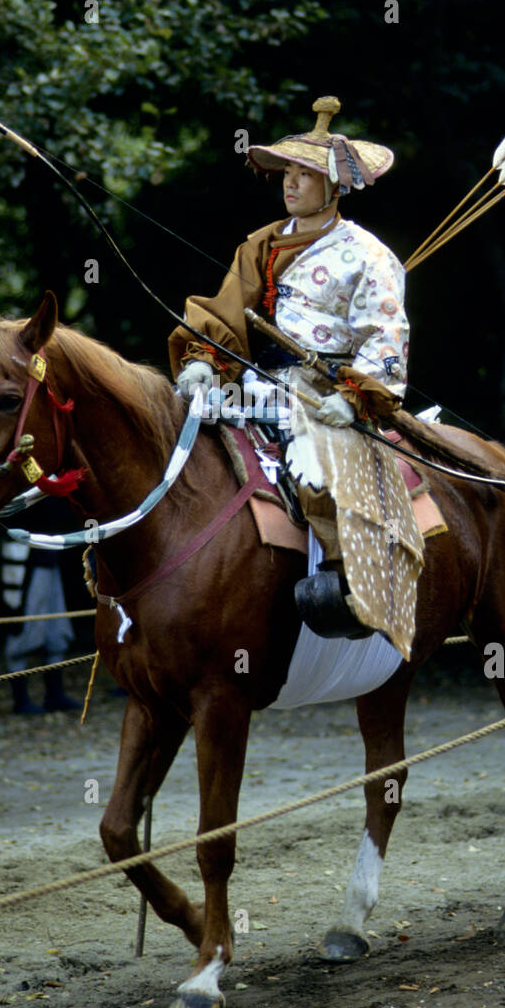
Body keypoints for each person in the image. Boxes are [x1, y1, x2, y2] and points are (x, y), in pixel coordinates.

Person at [169, 94, 418, 641]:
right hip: (255, 380)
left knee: (313, 469)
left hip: (324, 389)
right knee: (175, 433)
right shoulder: (260, 244)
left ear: (333, 186)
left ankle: (348, 583)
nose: (290, 183)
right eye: (287, 172)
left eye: (304, 175)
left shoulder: (370, 254)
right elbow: (226, 311)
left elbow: (386, 333)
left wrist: (352, 396)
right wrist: (205, 361)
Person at [1, 498, 80, 715]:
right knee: (22, 629)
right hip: (26, 560)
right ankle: (21, 699)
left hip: (49, 558)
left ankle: (54, 694)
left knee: (57, 630)